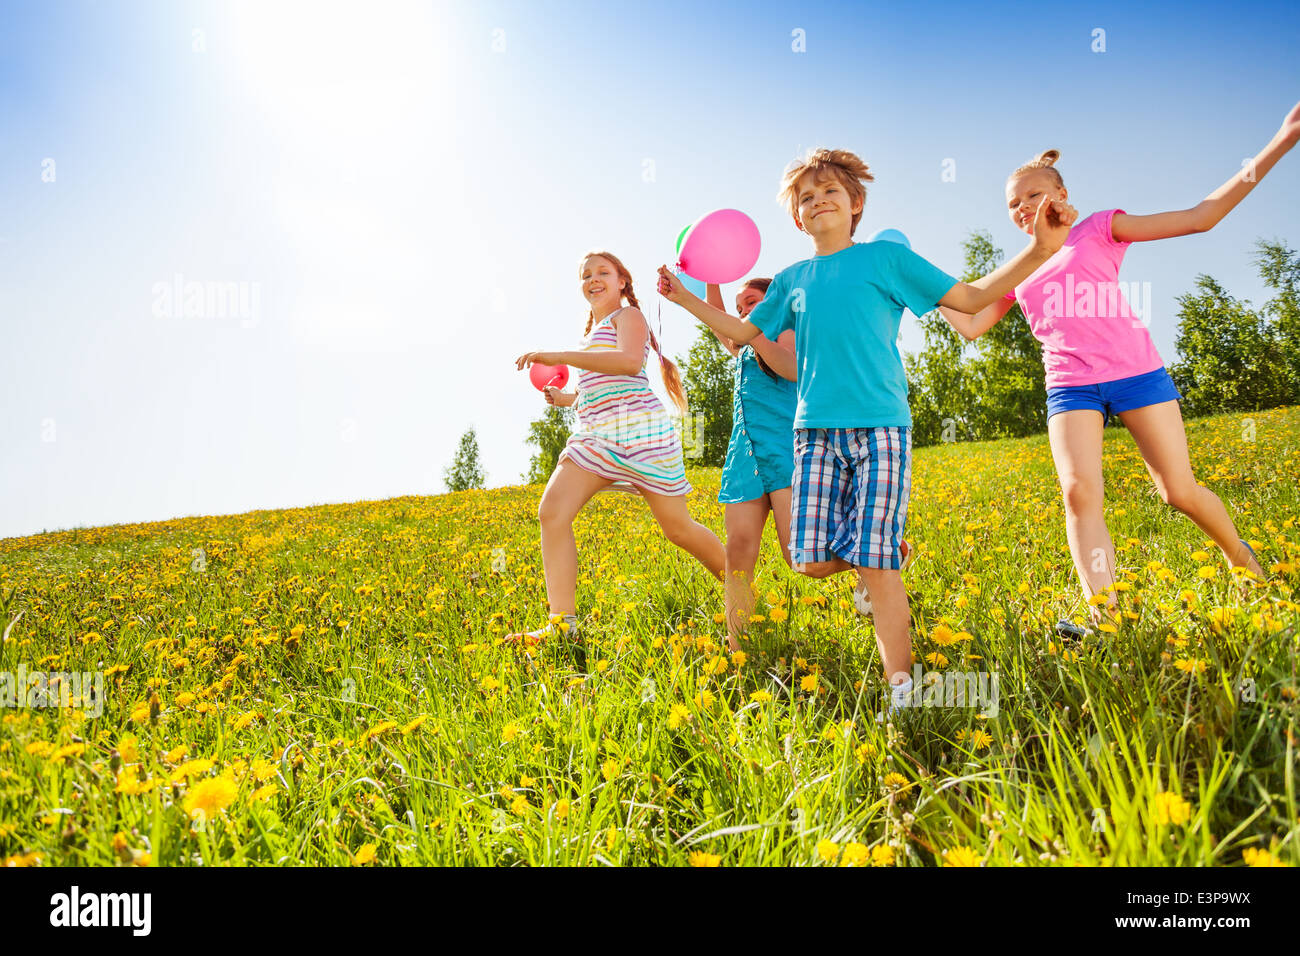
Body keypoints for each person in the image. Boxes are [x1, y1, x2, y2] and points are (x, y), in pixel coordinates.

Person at [659, 148, 1072, 715]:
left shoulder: (883, 260)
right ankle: (880, 547)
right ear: (797, 218)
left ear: (855, 204)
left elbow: (972, 299)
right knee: (805, 560)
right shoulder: (790, 280)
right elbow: (742, 331)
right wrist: (684, 298)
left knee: (876, 566)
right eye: (806, 197)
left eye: (830, 191)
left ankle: (901, 689)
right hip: (813, 435)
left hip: (880, 428)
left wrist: (1041, 248)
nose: (818, 199)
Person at [937, 102, 1298, 629]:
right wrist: (912, 285)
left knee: (1178, 491)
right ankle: (1105, 616)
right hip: (1070, 384)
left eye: (1033, 196)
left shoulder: (1101, 228)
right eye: (1012, 204)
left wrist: (1283, 140)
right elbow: (970, 322)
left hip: (1135, 373)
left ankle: (1241, 559)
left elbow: (1202, 217)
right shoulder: (1023, 265)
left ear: (1060, 195)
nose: (1022, 208)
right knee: (1078, 491)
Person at [510, 250, 725, 651]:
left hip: (641, 434)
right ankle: (563, 624)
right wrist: (568, 397)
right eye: (585, 274)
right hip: (596, 436)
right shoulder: (590, 336)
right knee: (552, 512)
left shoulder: (629, 317)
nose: (593, 279)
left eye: (602, 272)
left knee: (678, 529)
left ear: (622, 281)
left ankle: (742, 587)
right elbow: (599, 383)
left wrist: (557, 355)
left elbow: (628, 363)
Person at [701, 278, 798, 650]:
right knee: (737, 551)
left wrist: (754, 331)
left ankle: (880, 560)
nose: (743, 313)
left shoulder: (786, 329)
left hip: (783, 447)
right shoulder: (741, 345)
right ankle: (738, 648)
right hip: (744, 455)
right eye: (740, 309)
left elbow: (789, 368)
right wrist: (712, 275)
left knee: (798, 557)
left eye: (752, 303)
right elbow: (717, 320)